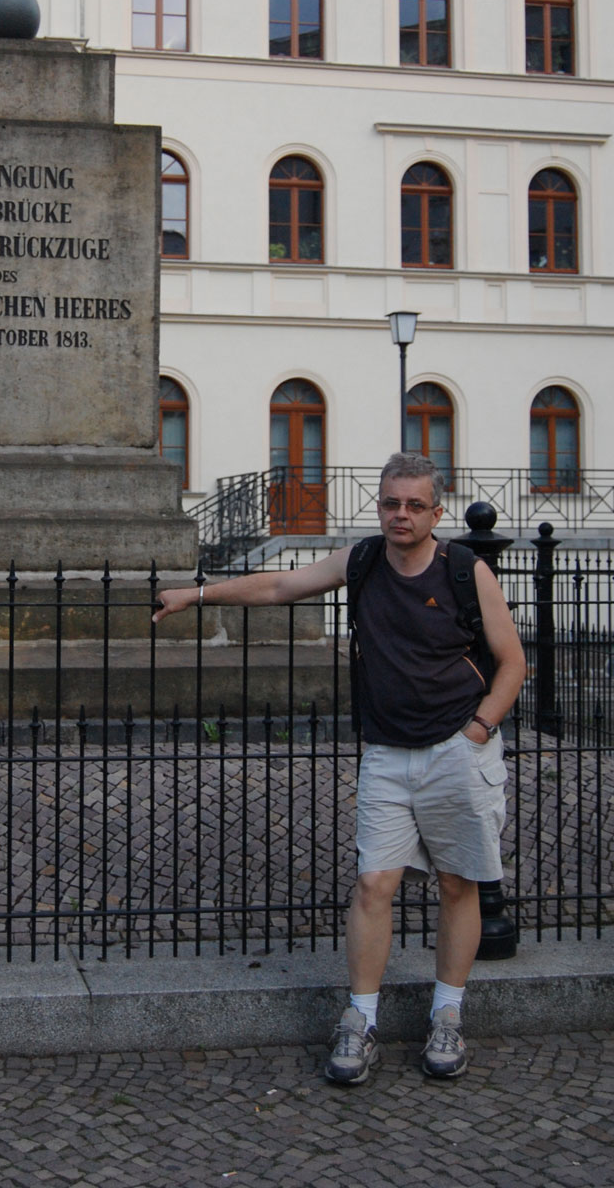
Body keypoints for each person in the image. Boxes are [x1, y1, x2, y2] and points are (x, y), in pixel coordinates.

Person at [153, 451, 525, 1083]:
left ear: (437, 511)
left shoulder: (466, 571)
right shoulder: (364, 561)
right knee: (374, 887)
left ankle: (448, 1016)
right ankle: (360, 1019)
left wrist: (478, 728)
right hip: (386, 753)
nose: (400, 515)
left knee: (459, 885)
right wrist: (197, 593)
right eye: (390, 503)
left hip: (457, 751)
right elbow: (279, 585)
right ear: (378, 505)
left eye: (413, 505)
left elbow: (512, 661)